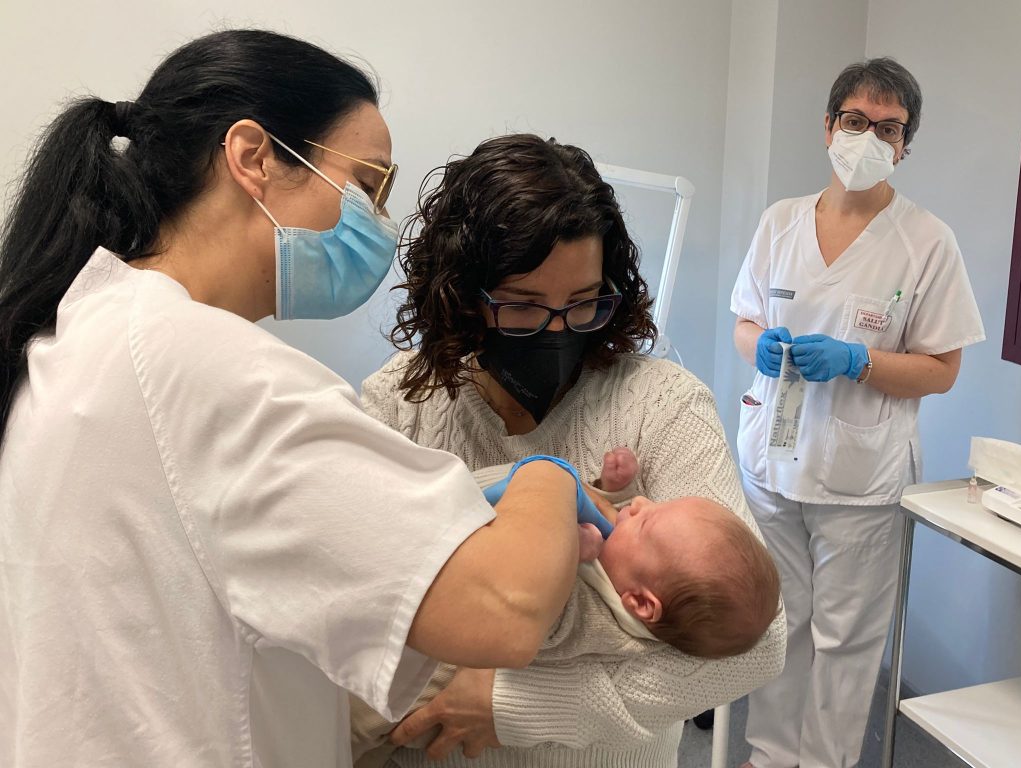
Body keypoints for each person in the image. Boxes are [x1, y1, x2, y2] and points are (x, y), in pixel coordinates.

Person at [0, 31, 588, 768]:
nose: (378, 224)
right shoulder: (212, 368)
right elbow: (502, 608)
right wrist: (548, 478)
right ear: (253, 158)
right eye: (368, 184)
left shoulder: (81, 330)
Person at [361, 133, 787, 767]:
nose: (559, 330)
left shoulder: (662, 401)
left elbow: (758, 643)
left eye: (584, 303)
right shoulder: (398, 403)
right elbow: (360, 605)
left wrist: (516, 704)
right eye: (524, 306)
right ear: (463, 296)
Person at [731, 57, 985, 768]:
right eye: (855, 121)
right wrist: (762, 347)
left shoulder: (926, 242)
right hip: (770, 463)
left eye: (888, 128)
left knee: (845, 640)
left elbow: (942, 369)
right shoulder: (780, 222)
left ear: (905, 145)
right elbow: (743, 324)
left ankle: (825, 763)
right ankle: (771, 756)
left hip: (860, 477)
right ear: (828, 126)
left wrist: (857, 361)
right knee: (779, 623)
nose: (868, 137)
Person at [350, 456, 782, 766]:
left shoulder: (592, 618)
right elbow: (614, 527)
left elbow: (521, 600)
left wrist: (565, 549)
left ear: (642, 603)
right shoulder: (629, 580)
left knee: (347, 734)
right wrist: (611, 488)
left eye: (647, 520)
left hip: (406, 686)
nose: (641, 504)